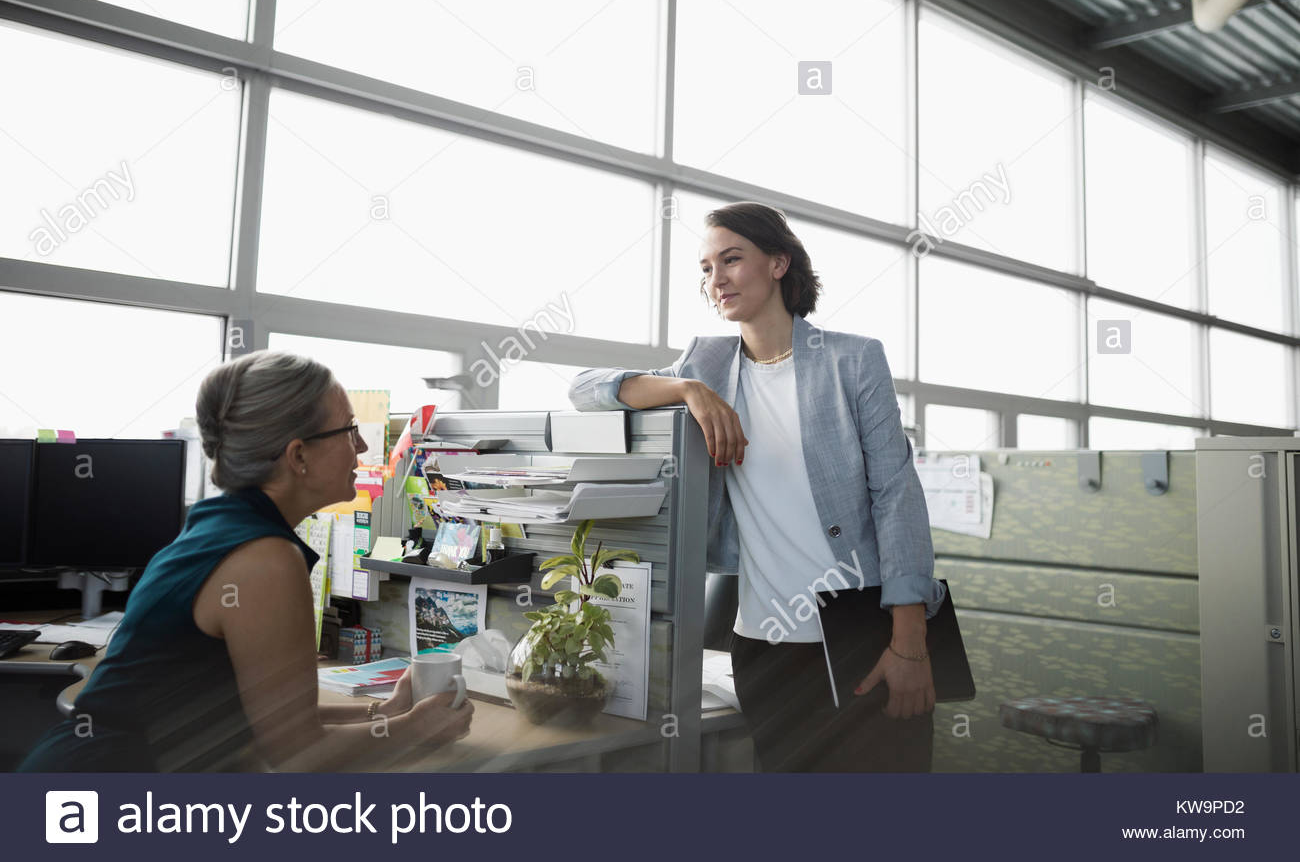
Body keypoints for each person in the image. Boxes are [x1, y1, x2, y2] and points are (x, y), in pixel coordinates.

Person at [569, 202, 944, 772]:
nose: (714, 279)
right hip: (764, 646)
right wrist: (689, 389)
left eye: (731, 259)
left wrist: (909, 642)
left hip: (866, 636)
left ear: (777, 264)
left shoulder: (852, 359)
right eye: (704, 267)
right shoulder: (708, 362)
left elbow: (897, 496)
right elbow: (585, 388)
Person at [20, 351, 472, 772]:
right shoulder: (264, 559)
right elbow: (298, 757)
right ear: (298, 456)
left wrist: (383, 712)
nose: (360, 446)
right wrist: (417, 729)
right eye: (348, 429)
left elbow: (266, 715)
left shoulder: (221, 525)